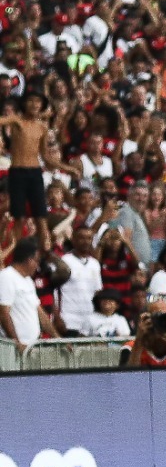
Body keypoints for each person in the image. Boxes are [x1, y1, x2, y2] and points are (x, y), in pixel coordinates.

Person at [0, 92, 74, 227]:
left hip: (35, 172)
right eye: (31, 101)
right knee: (18, 217)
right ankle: (16, 246)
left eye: (38, 102)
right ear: (24, 104)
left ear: (42, 105)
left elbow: (46, 157)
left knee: (41, 216)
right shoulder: (16, 120)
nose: (34, 104)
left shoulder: (42, 128)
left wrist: (68, 168)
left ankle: (45, 247)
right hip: (17, 171)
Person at [0, 238, 59, 346]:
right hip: (14, 350)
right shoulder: (6, 277)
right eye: (37, 261)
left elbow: (40, 314)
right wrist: (17, 343)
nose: (37, 266)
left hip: (32, 346)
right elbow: (3, 314)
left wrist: (58, 338)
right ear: (28, 259)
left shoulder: (28, 281)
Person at [57, 226, 103, 335]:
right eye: (81, 238)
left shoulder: (95, 264)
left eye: (89, 238)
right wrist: (57, 318)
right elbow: (55, 292)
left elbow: (98, 291)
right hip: (69, 320)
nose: (86, 241)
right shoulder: (64, 261)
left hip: (90, 322)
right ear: (73, 239)